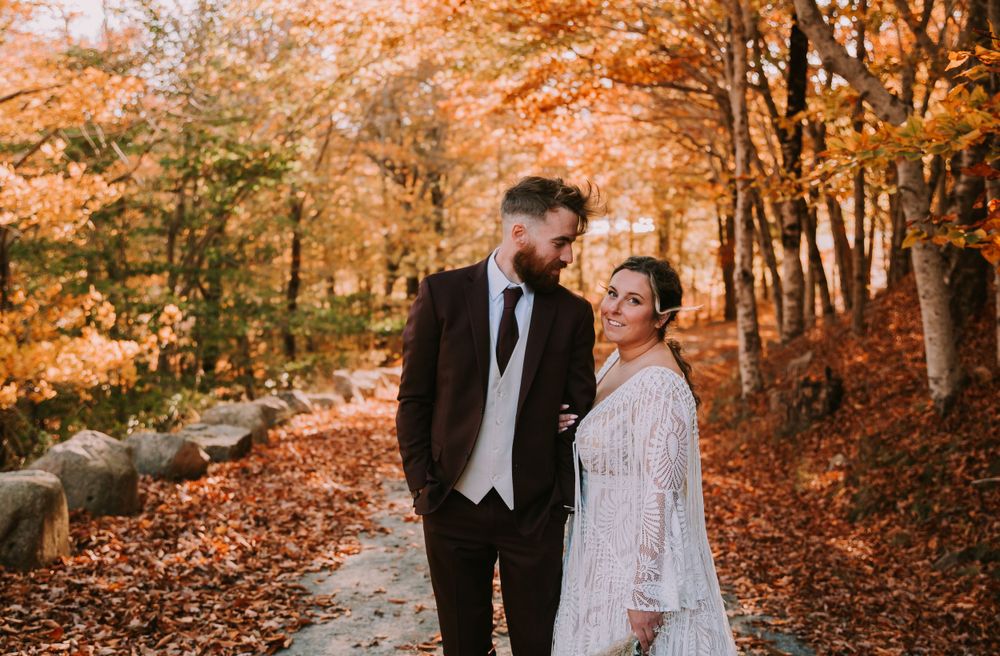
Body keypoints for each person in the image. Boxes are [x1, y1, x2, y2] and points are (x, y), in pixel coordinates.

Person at [395, 176, 600, 656]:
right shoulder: (441, 294)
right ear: (520, 234)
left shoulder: (572, 313)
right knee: (464, 646)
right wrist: (422, 482)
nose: (568, 256)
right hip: (451, 505)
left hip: (533, 512)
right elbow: (415, 397)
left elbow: (579, 410)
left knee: (538, 645)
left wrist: (559, 501)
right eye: (562, 242)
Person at [551, 256, 738, 656]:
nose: (613, 308)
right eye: (613, 293)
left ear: (660, 318)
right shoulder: (619, 359)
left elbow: (661, 498)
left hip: (632, 573)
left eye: (633, 300)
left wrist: (646, 595)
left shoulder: (660, 387)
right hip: (597, 558)